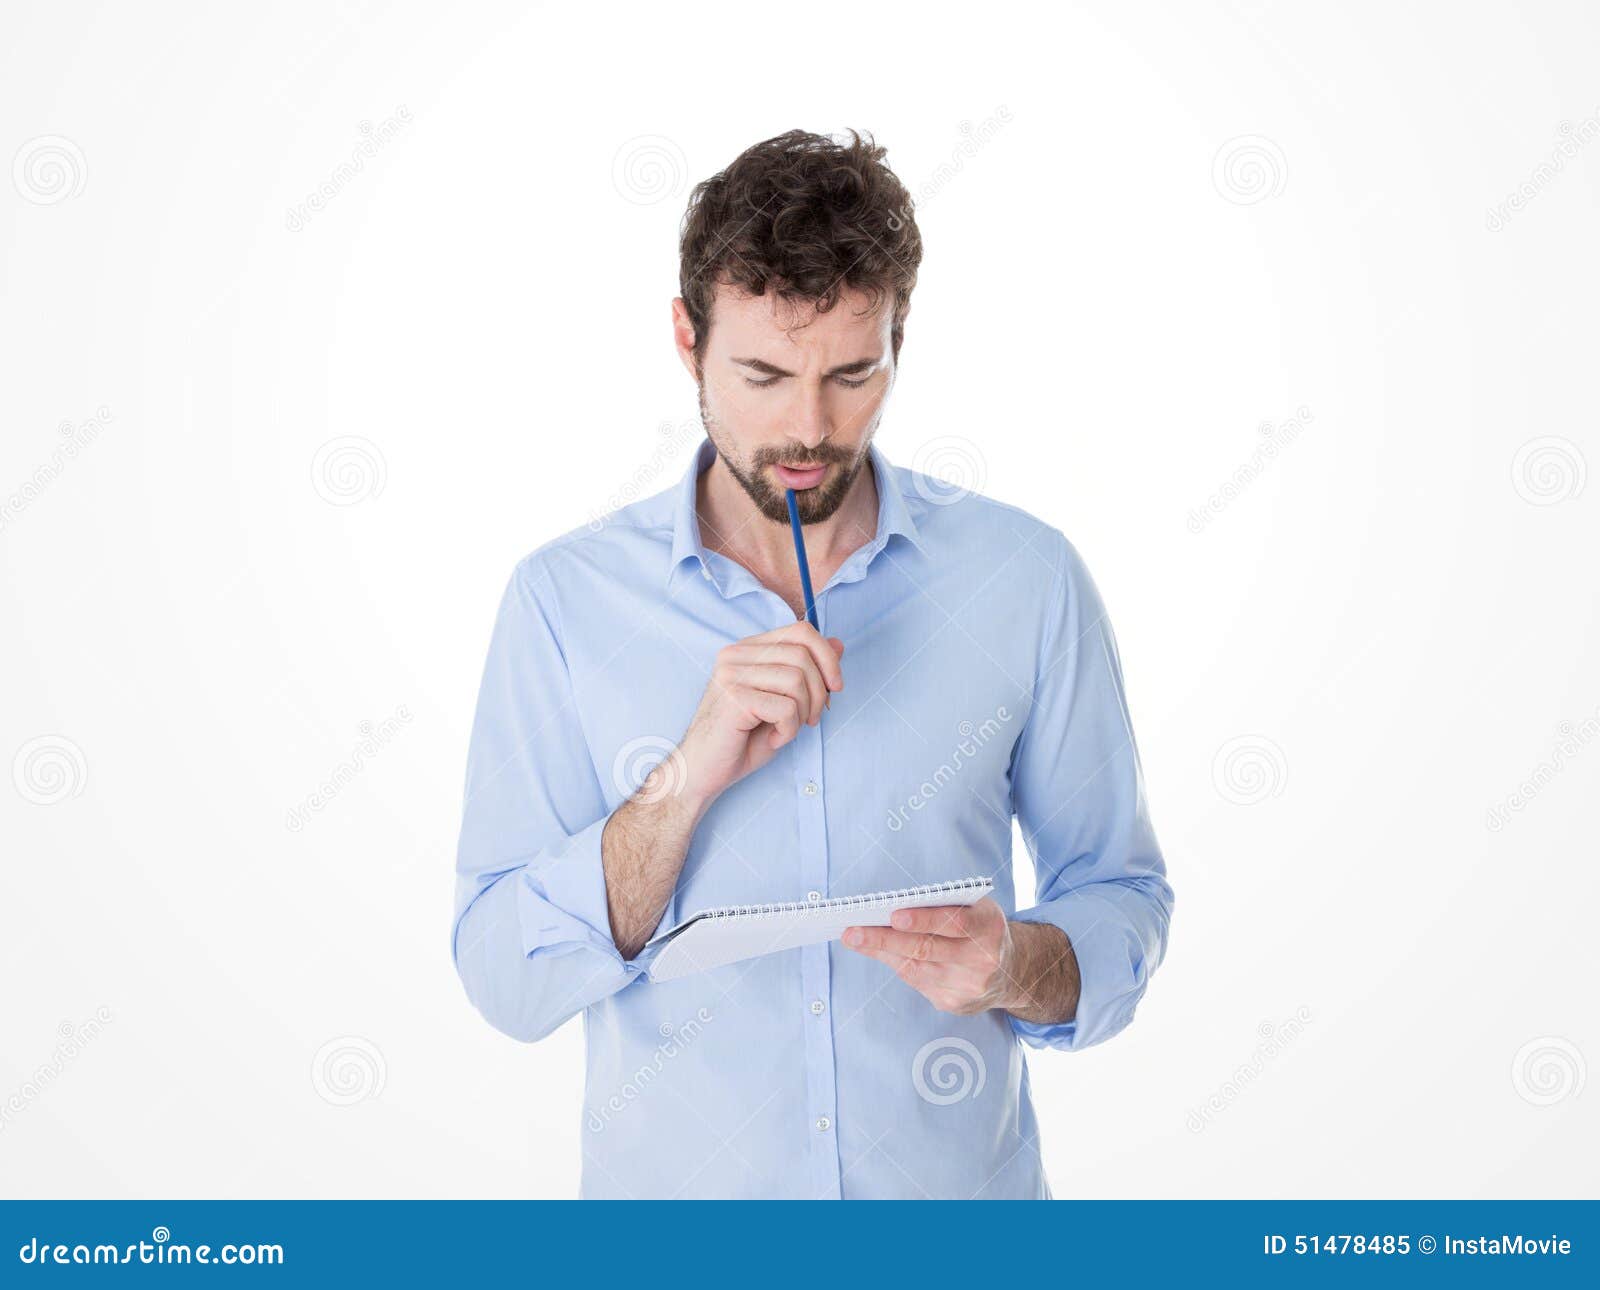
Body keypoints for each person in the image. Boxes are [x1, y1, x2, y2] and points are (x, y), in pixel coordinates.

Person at [451, 128, 1173, 1199]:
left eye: (851, 373)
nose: (807, 426)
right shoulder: (562, 602)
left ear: (898, 340)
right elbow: (504, 977)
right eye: (761, 373)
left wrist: (1015, 963)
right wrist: (683, 780)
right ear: (686, 341)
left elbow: (1120, 897)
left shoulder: (1025, 578)